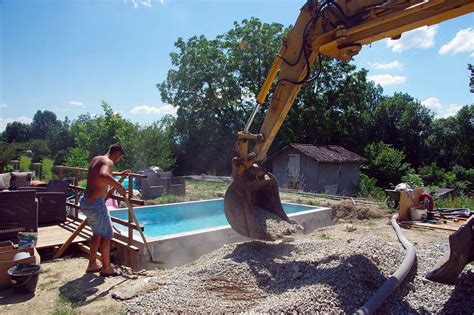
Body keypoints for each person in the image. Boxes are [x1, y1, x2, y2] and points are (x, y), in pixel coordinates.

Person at [80, 143, 129, 276]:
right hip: (96, 205)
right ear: (117, 153)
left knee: (97, 233)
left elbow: (99, 173)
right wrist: (119, 186)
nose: (118, 161)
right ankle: (107, 268)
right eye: (119, 158)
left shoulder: (97, 159)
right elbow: (103, 175)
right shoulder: (108, 162)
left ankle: (92, 264)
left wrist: (119, 174)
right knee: (107, 235)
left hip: (86, 202)